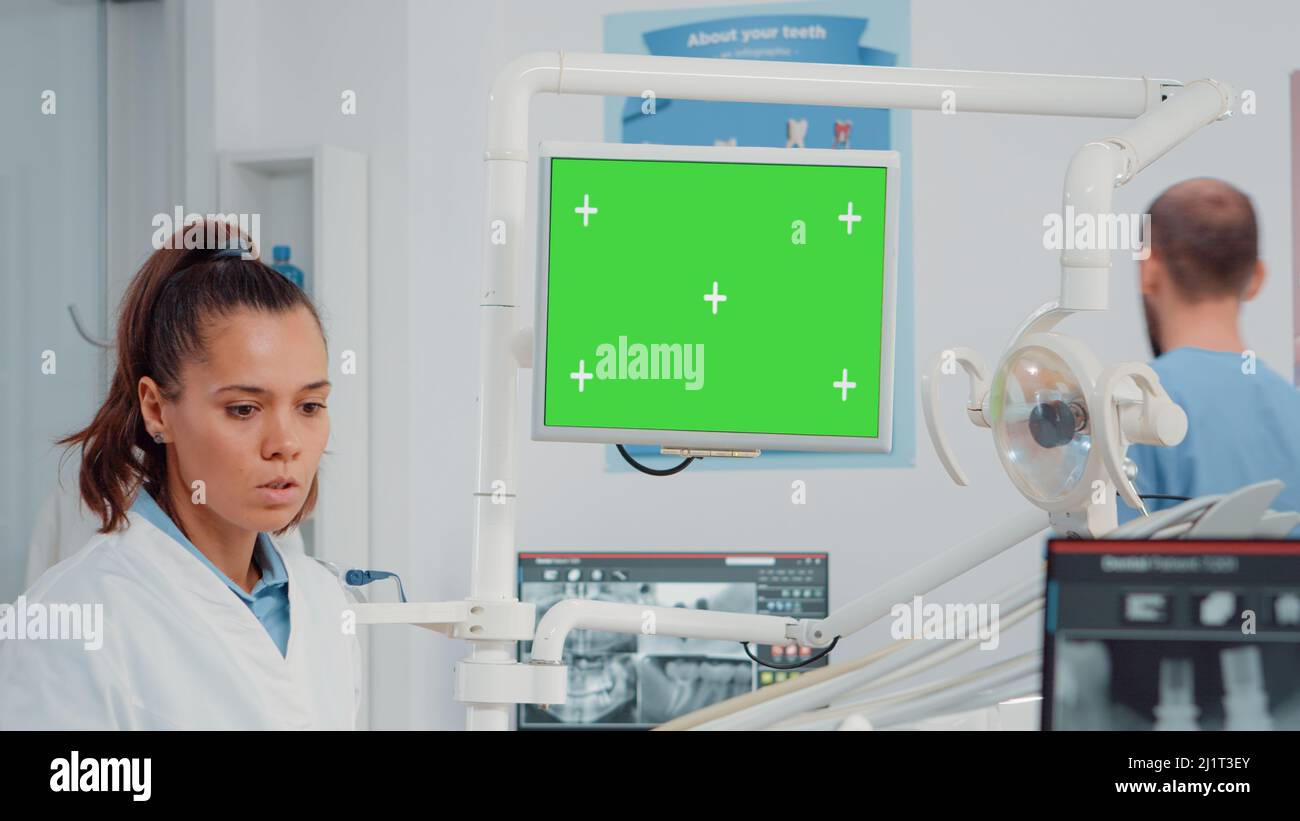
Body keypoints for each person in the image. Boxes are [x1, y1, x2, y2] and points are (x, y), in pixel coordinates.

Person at [0, 220, 361, 729]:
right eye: (243, 409)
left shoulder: (323, 603)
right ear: (157, 409)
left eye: (309, 405)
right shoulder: (76, 619)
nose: (285, 445)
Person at [1119, 178, 1300, 528]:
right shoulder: (1293, 409)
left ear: (1149, 270)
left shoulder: (1128, 410)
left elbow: (1093, 569)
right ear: (1257, 278)